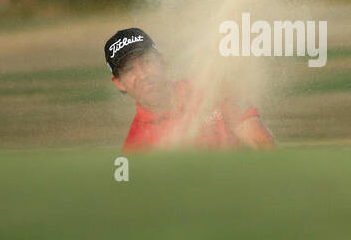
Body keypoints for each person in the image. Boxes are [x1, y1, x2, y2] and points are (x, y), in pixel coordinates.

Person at [105, 27, 275, 152]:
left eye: (146, 62)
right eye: (129, 70)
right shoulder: (136, 147)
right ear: (119, 82)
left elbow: (263, 146)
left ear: (162, 62)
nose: (142, 74)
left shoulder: (213, 89)